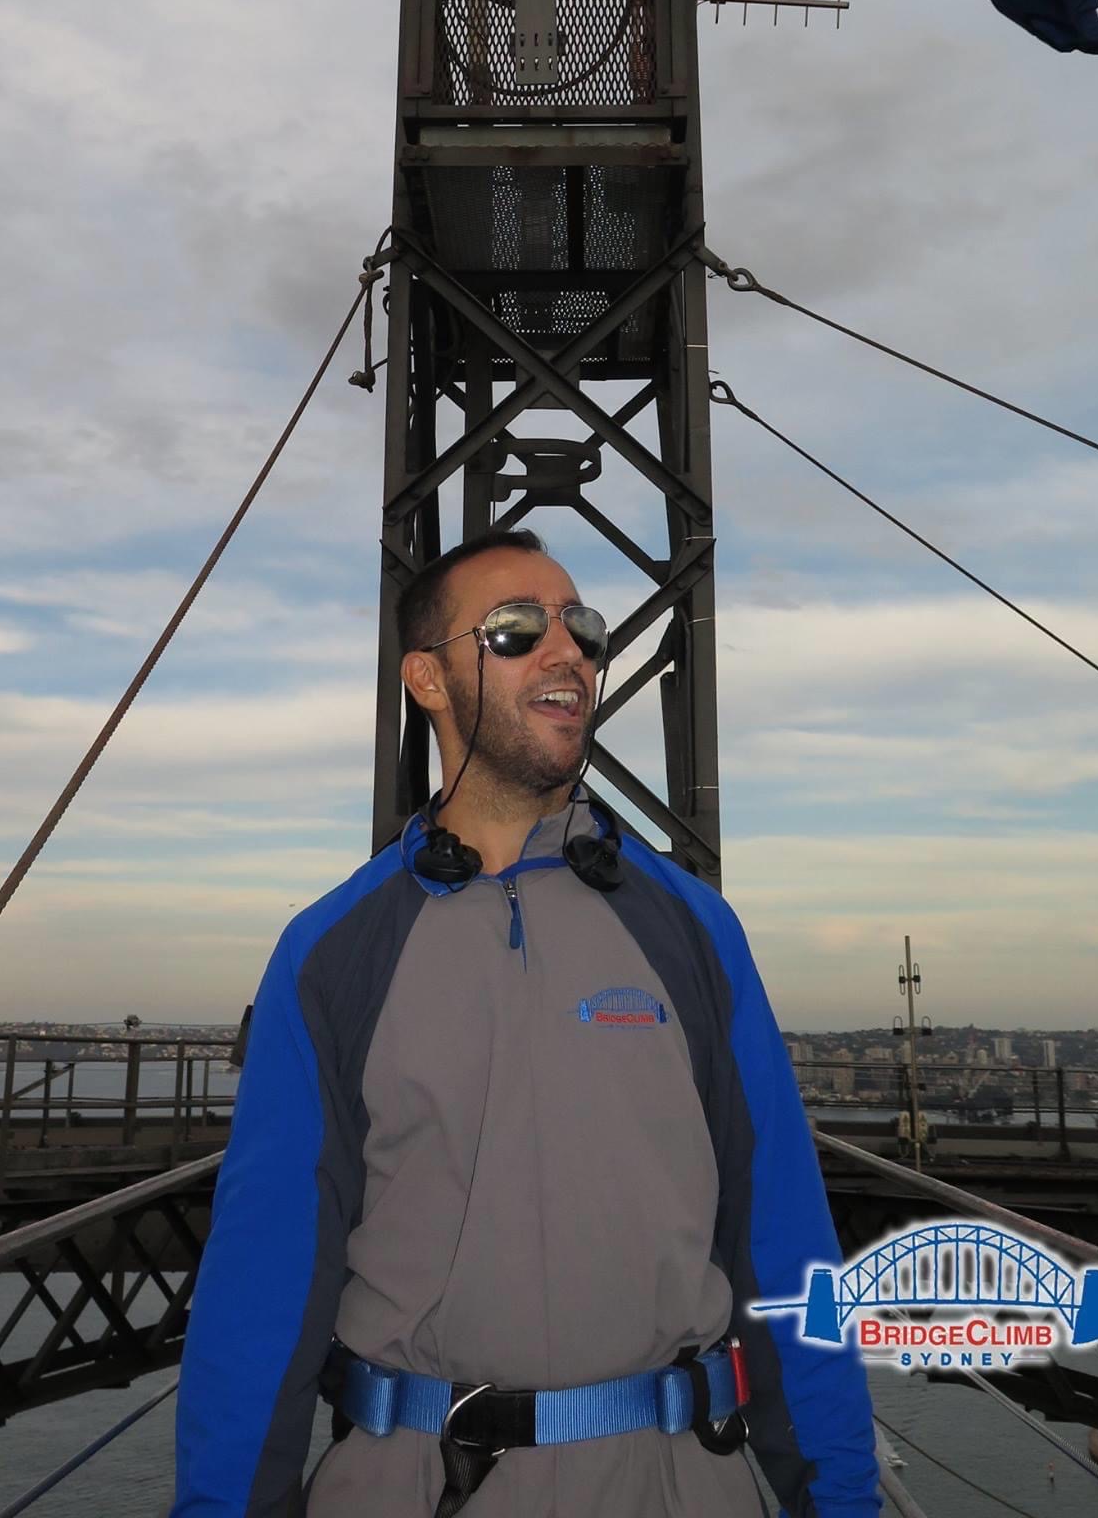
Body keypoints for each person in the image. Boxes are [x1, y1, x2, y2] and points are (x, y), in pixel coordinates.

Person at [171, 529, 880, 1518]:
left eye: (582, 628)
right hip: (411, 1484)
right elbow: (265, 1280)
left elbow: (782, 1236)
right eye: (515, 628)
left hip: (677, 1482)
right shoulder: (331, 950)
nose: (569, 652)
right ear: (426, 678)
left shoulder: (693, 928)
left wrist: (844, 1497)